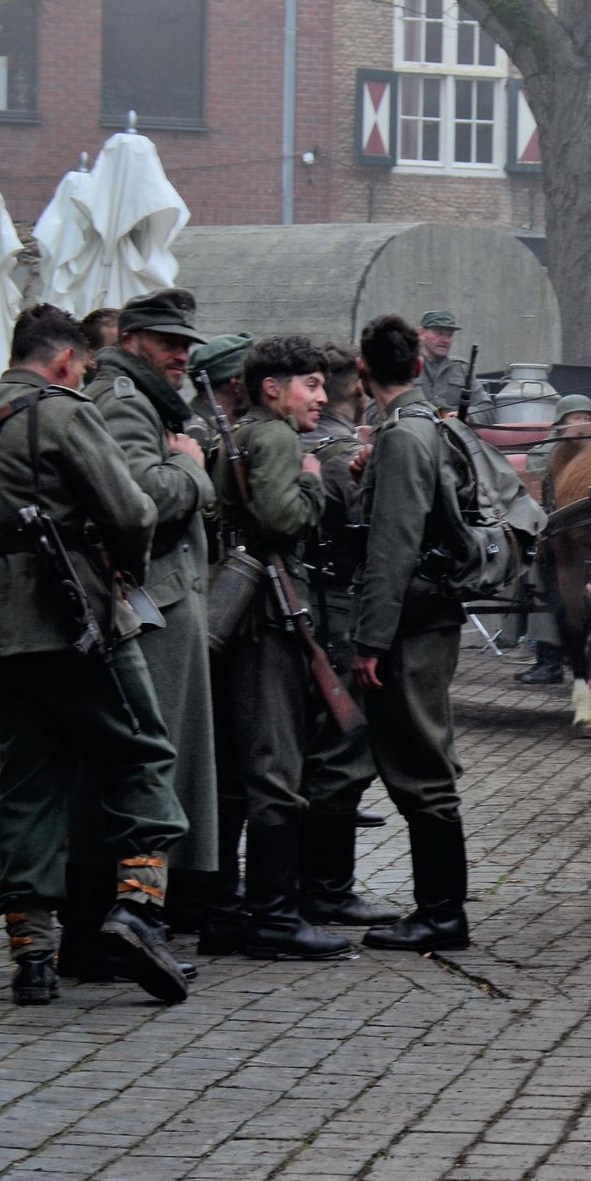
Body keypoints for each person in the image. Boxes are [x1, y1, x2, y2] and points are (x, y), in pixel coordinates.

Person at [0, 305, 190, 1006]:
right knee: (143, 753)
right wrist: (121, 575)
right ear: (68, 361)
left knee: (27, 782)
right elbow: (132, 512)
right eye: (86, 367)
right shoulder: (64, 413)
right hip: (74, 619)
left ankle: (31, 954)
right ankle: (136, 911)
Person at [80, 289, 219, 966]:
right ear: (133, 339)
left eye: (187, 343)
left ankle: (135, 920)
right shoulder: (127, 403)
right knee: (147, 772)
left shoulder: (139, 399)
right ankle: (131, 922)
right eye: (169, 342)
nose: (182, 354)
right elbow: (141, 498)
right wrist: (191, 469)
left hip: (160, 602)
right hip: (150, 607)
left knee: (155, 767)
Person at [205, 336, 351, 961]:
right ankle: (272, 918)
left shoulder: (242, 432)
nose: (322, 397)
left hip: (245, 613)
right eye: (310, 385)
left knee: (238, 770)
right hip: (267, 616)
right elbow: (282, 522)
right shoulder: (274, 438)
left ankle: (221, 909)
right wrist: (314, 482)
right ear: (273, 388)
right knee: (274, 765)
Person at [352, 315, 474, 952]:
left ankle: (442, 914)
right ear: (420, 366)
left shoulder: (403, 435)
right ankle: (439, 909)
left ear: (363, 371)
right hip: (424, 617)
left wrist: (369, 641)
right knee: (420, 760)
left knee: (420, 765)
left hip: (411, 624)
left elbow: (393, 545)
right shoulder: (425, 426)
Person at [299, 342, 400, 927]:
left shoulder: (293, 441)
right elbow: (372, 535)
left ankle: (301, 879)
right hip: (339, 606)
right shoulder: (340, 456)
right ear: (355, 389)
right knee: (342, 748)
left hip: (303, 604)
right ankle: (328, 888)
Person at [518, 394, 591, 685]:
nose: (583, 424)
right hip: (553, 531)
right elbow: (536, 493)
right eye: (576, 418)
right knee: (543, 575)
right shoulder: (545, 451)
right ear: (561, 422)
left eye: (587, 418)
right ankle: (549, 659)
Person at [414, 311, 472, 412]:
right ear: (422, 334)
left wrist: (465, 415)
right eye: (439, 333)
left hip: (453, 426)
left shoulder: (462, 369)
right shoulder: (404, 366)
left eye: (449, 335)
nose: (445, 340)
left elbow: (486, 406)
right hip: (415, 425)